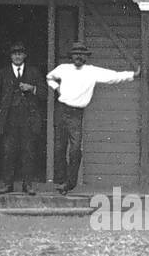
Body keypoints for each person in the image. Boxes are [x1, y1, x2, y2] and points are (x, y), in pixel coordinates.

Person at [46, 41, 137, 195]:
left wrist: (132, 75)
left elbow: (113, 76)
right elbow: (49, 77)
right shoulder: (63, 68)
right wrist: (58, 88)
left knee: (75, 149)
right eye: (76, 54)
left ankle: (70, 183)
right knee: (59, 147)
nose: (78, 57)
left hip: (76, 114)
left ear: (86, 57)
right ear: (71, 56)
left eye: (82, 55)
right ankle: (61, 181)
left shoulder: (92, 71)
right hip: (61, 110)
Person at [0, 40, 47, 195]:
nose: (17, 56)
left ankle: (27, 185)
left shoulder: (34, 72)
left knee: (28, 152)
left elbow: (44, 93)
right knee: (8, 152)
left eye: (20, 54)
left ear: (25, 55)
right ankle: (8, 184)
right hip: (10, 119)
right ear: (10, 56)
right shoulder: (2, 73)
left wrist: (32, 88)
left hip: (28, 119)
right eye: (14, 54)